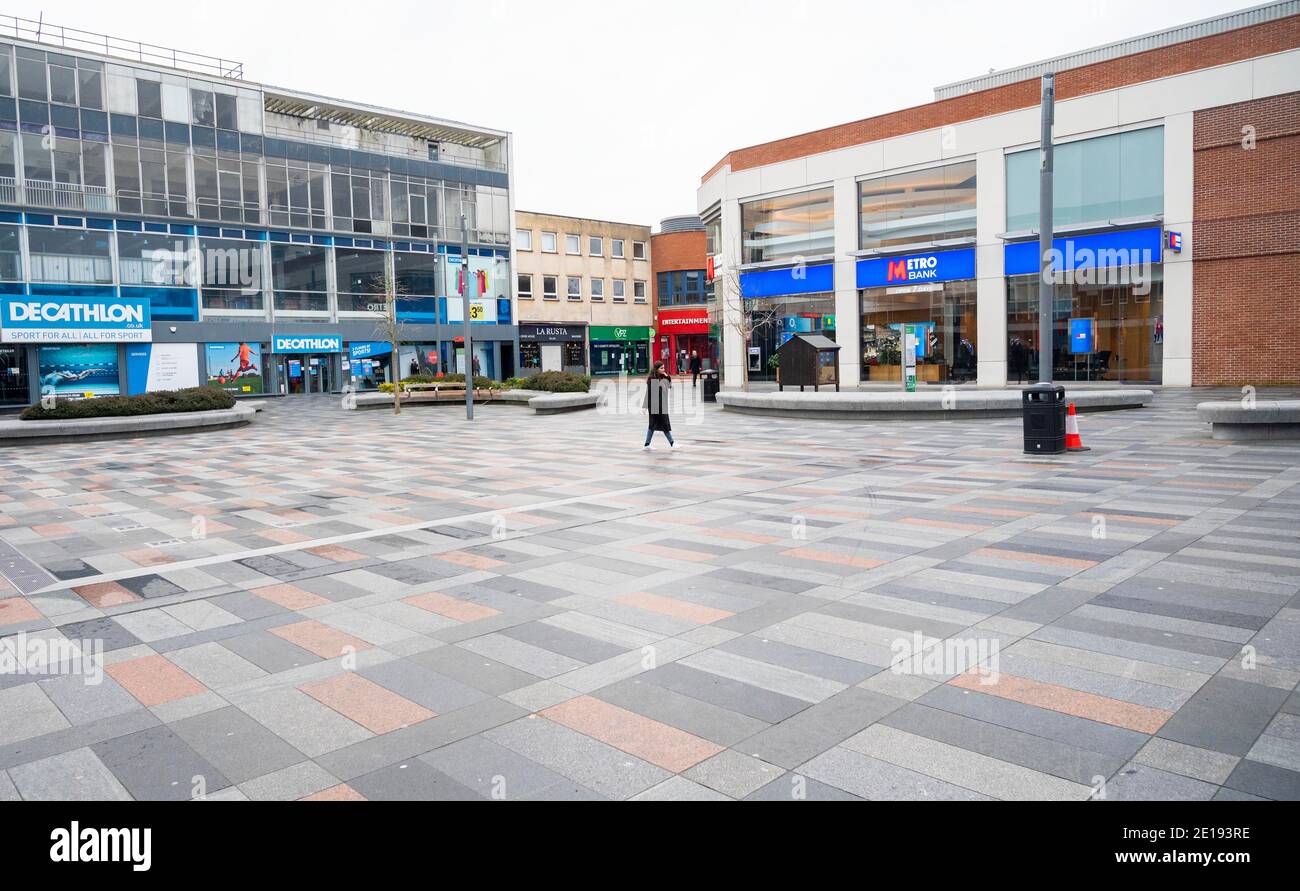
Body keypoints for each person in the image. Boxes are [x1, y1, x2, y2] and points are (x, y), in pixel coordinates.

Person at [643, 362, 676, 450]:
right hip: (655, 406)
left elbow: (669, 386)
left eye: (664, 368)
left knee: (653, 425)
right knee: (663, 424)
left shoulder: (661, 377)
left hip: (661, 405)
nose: (663, 369)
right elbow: (648, 393)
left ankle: (647, 444)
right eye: (661, 368)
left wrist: (666, 375)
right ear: (656, 369)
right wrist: (645, 406)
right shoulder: (652, 379)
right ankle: (672, 443)